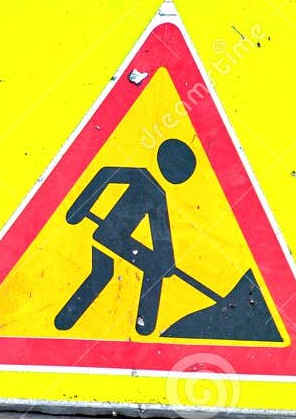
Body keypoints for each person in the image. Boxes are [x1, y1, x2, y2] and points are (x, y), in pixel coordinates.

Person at [54, 139, 197, 336]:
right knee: (152, 269)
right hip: (111, 234)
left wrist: (167, 261)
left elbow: (160, 233)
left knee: (102, 273)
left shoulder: (158, 194)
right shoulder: (142, 176)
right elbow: (105, 174)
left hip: (114, 237)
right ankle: (145, 323)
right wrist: (78, 209)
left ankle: (64, 320)